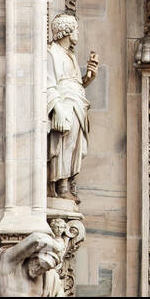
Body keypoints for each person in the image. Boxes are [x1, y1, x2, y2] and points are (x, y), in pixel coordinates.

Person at [46, 14, 98, 202]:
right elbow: (49, 83)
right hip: (65, 105)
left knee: (77, 147)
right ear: (67, 31)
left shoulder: (71, 56)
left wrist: (88, 78)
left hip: (77, 103)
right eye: (75, 29)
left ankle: (65, 184)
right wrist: (57, 108)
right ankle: (60, 186)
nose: (77, 33)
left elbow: (75, 83)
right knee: (63, 146)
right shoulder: (51, 52)